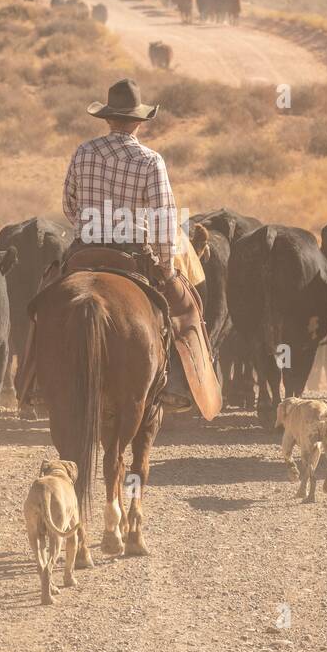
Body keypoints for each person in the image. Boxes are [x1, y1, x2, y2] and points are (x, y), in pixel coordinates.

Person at [58, 78, 221, 418]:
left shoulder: (84, 151)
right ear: (138, 121)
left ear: (107, 118)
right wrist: (166, 264)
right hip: (133, 253)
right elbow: (163, 218)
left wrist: (91, 226)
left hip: (84, 248)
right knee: (184, 307)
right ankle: (176, 383)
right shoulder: (150, 160)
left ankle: (33, 383)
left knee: (46, 295)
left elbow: (69, 205)